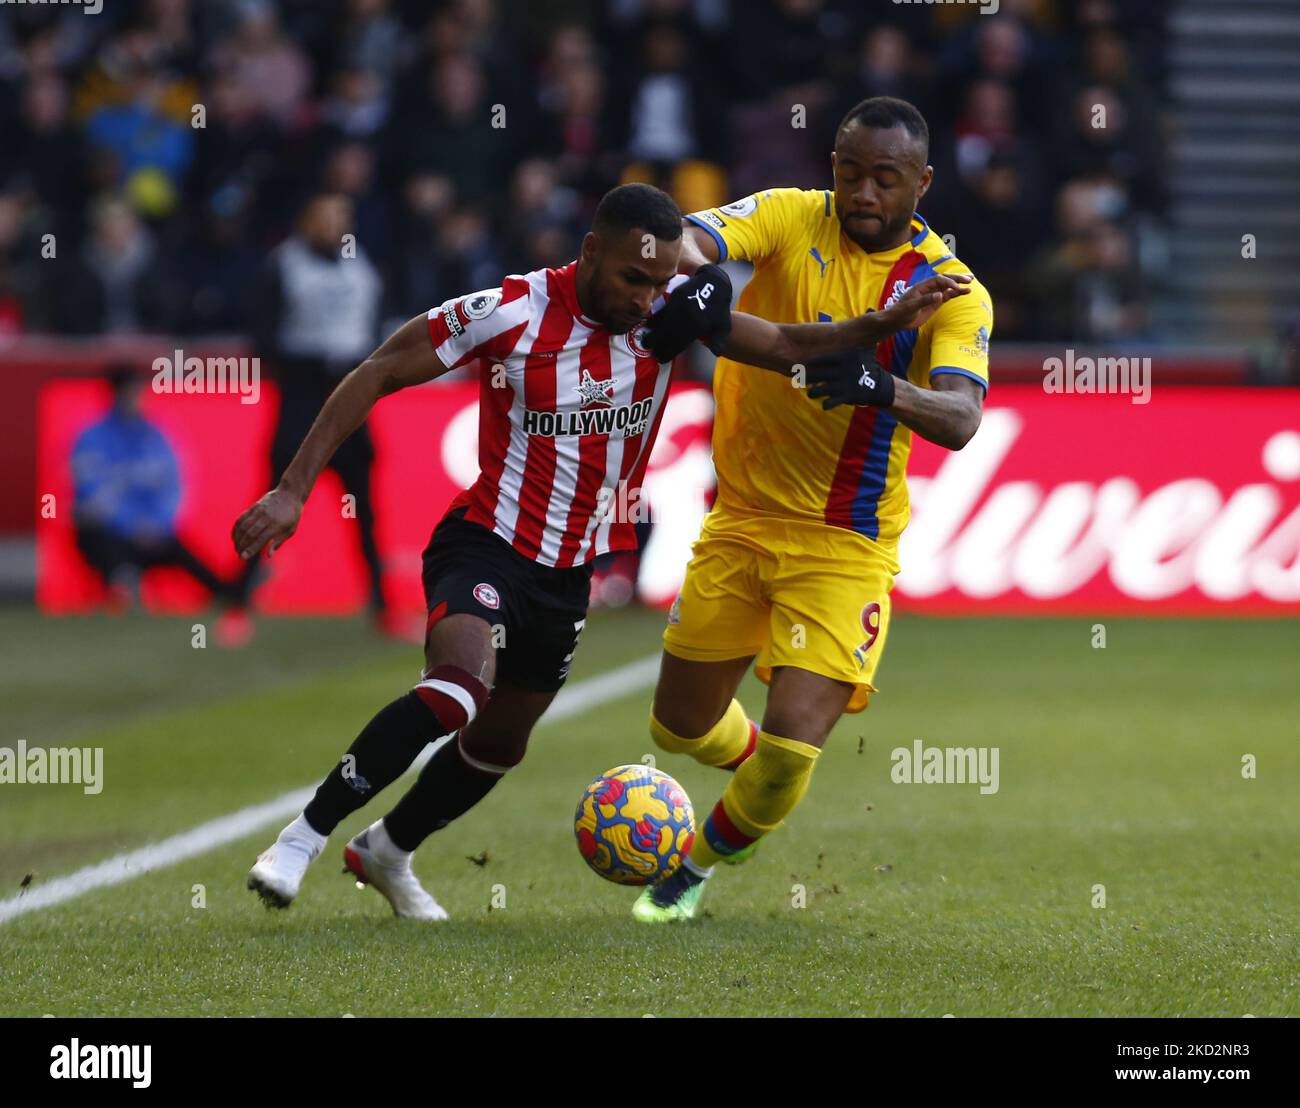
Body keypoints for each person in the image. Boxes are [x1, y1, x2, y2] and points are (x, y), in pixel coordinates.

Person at [233, 182, 965, 920]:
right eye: (631, 279)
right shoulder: (511, 310)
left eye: (657, 282)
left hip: (570, 573)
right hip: (487, 544)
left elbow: (782, 345)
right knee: (458, 689)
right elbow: (379, 369)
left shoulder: (669, 317)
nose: (646, 298)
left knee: (500, 743)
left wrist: (878, 325)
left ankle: (388, 851)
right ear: (589, 253)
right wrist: (293, 489)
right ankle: (302, 837)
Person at [633, 96, 994, 922]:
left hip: (844, 543)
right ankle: (755, 778)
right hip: (739, 520)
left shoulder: (952, 291)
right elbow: (694, 234)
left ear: (923, 183)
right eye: (849, 172)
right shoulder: (793, 216)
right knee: (677, 730)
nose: (863, 193)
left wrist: (882, 386)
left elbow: (963, 420)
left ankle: (691, 871)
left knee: (795, 743)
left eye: (885, 179)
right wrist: (686, 274)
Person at [232, 191, 395, 638]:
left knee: (364, 507)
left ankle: (383, 606)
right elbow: (261, 335)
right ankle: (239, 604)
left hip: (350, 396)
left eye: (341, 216)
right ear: (307, 220)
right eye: (325, 216)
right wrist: (307, 365)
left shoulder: (362, 267)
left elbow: (377, 331)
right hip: (302, 396)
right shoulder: (283, 264)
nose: (334, 225)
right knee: (274, 495)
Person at [73, 367, 237, 612]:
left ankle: (229, 593)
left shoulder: (156, 435)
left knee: (181, 549)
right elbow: (91, 493)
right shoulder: (92, 438)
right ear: (115, 395)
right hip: (114, 533)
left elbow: (174, 487)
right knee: (93, 527)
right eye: (130, 393)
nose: (137, 399)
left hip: (155, 532)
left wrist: (158, 524)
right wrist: (131, 525)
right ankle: (124, 589)